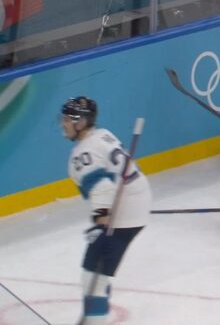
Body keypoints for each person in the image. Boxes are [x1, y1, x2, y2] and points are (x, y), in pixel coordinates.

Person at [61, 96, 151, 324]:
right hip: (136, 200)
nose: (63, 123)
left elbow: (102, 188)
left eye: (67, 119)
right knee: (98, 273)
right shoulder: (102, 135)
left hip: (123, 212)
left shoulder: (81, 154)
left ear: (80, 122)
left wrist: (101, 224)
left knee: (93, 276)